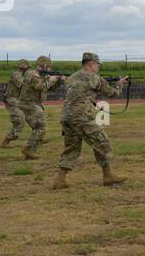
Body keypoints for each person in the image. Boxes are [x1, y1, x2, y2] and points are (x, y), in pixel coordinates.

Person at [53, 52, 128, 188]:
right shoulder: (94, 78)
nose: (98, 68)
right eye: (97, 65)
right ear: (91, 64)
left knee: (71, 148)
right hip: (82, 117)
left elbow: (80, 92)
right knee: (101, 142)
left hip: (67, 117)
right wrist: (119, 84)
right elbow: (112, 94)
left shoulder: (72, 78)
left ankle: (60, 180)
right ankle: (108, 175)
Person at [18, 55, 63, 159]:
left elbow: (50, 89)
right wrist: (52, 79)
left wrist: (58, 81)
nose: (50, 69)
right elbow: (41, 86)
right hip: (28, 104)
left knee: (39, 127)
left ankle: (30, 150)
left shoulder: (39, 75)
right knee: (40, 127)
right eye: (49, 67)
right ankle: (28, 149)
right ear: (44, 66)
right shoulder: (32, 74)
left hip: (33, 104)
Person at [0, 59, 30, 148]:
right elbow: (22, 84)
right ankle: (7, 140)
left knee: (33, 117)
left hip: (17, 100)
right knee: (20, 120)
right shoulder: (16, 74)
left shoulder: (23, 74)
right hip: (12, 99)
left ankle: (37, 137)